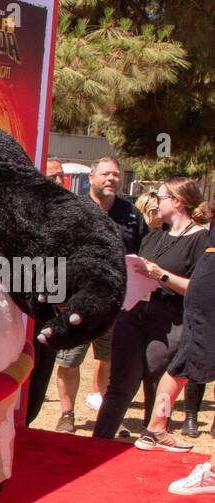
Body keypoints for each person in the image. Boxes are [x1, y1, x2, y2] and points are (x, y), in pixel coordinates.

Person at [93, 177, 208, 442]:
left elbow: (199, 288)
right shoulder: (154, 235)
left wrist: (162, 276)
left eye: (162, 196)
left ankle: (154, 437)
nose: (156, 202)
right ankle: (99, 443)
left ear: (178, 202)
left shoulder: (201, 240)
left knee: (157, 384)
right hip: (133, 313)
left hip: (169, 319)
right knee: (120, 385)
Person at [52, 157, 145, 432]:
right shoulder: (71, 208)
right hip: (75, 302)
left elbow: (142, 253)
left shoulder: (130, 214)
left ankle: (104, 410)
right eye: (106, 174)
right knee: (68, 360)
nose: (111, 179)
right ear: (91, 177)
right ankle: (67, 415)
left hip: (115, 303)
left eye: (116, 175)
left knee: (107, 359)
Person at [134, 219, 215, 452]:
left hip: (205, 282)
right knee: (187, 359)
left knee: (185, 360)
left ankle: (155, 428)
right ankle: (155, 428)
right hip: (207, 286)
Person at [25, 157, 69, 424]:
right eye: (52, 175)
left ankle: (28, 424)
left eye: (60, 175)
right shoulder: (22, 211)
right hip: (23, 311)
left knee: (40, 379)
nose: (58, 181)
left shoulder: (67, 213)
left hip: (51, 312)